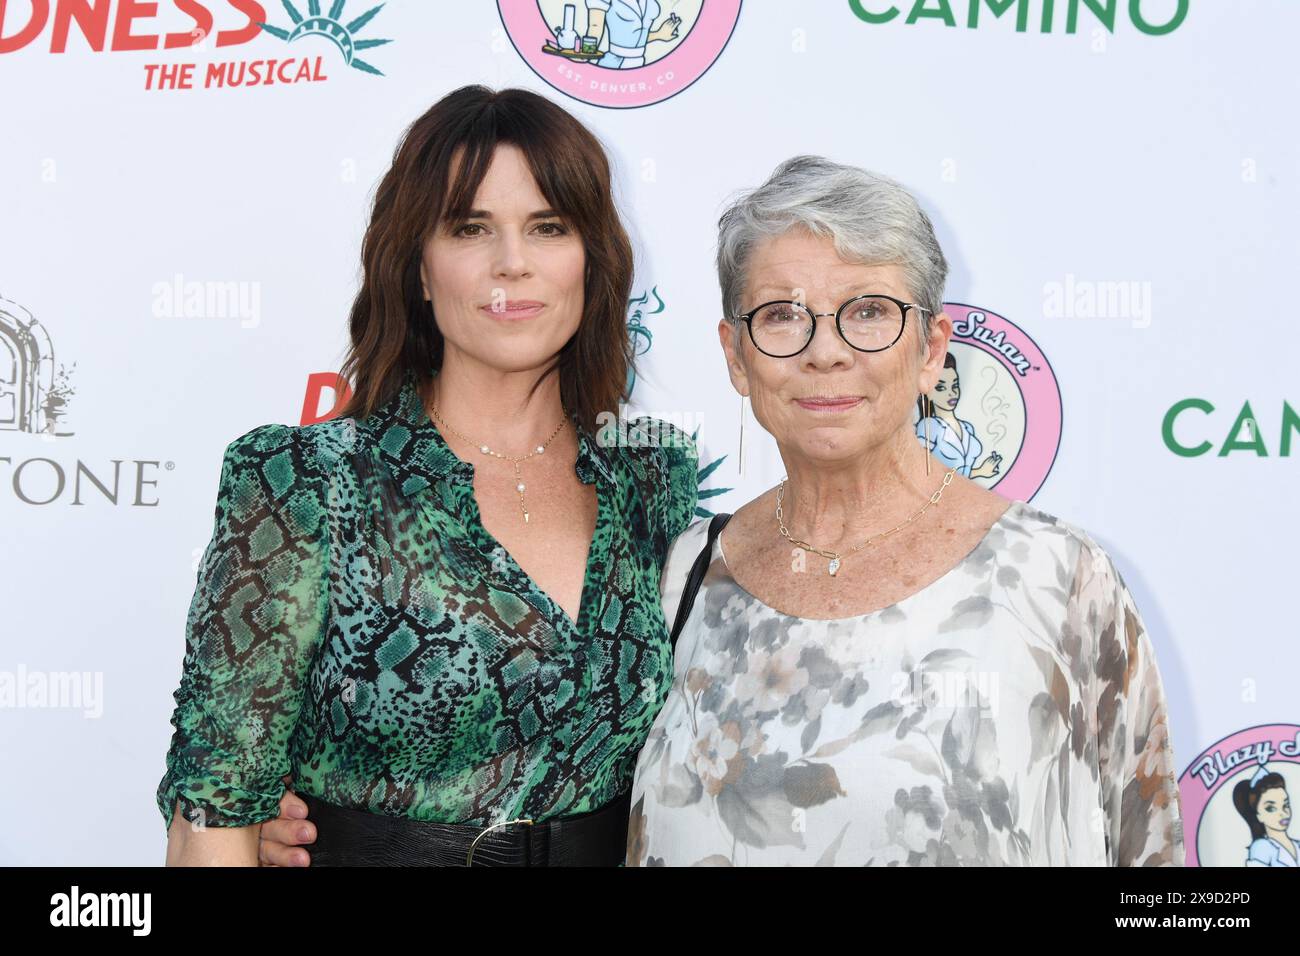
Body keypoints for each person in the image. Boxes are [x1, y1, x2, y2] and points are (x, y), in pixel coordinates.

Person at [157, 85, 698, 866]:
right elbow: (213, 817)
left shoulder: (649, 480)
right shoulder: (307, 480)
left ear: (593, 258)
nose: (513, 263)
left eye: (549, 226)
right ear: (417, 267)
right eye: (470, 228)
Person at [623, 155, 1186, 866]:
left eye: (867, 312)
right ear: (737, 355)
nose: (824, 351)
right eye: (782, 316)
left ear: (932, 350)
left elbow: (1152, 860)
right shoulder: (691, 572)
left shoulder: (1058, 581)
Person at [1234, 765, 1296, 866]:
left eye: (1286, 805)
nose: (1283, 812)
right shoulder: (1262, 847)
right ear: (1258, 815)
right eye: (1271, 808)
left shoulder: (1297, 845)